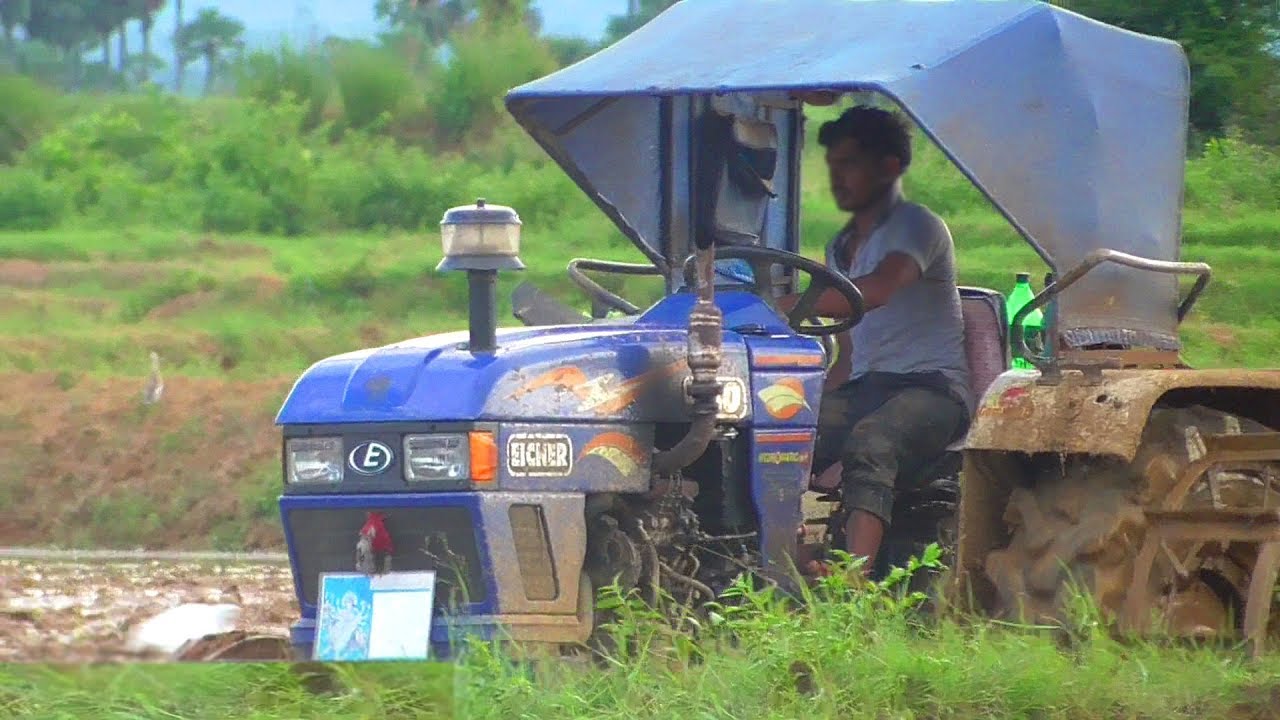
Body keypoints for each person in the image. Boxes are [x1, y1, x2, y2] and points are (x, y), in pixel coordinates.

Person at [778, 105, 972, 578]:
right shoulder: (840, 245)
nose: (838, 177)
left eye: (849, 164)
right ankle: (778, 552)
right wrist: (812, 400)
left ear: (888, 168)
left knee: (872, 439)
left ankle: (853, 580)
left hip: (932, 390)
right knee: (779, 424)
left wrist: (782, 304)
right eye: (834, 165)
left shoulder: (917, 227)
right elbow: (847, 352)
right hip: (870, 385)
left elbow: (875, 292)